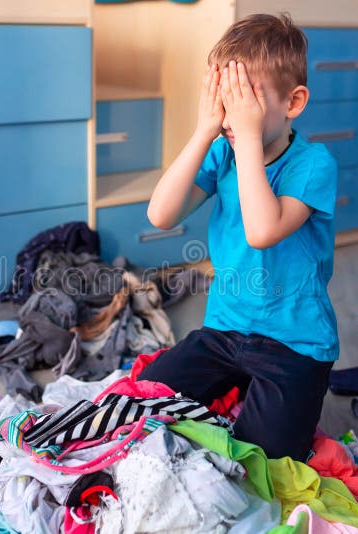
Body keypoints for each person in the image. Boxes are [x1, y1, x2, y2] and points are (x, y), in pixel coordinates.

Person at [141, 13, 339, 461]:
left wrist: (246, 138)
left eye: (245, 99)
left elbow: (262, 230)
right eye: (224, 98)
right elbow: (161, 214)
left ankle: (269, 395)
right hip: (225, 330)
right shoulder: (223, 149)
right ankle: (239, 386)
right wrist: (204, 130)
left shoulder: (313, 164)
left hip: (295, 344)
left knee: (261, 457)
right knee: (144, 398)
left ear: (293, 102)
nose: (234, 115)